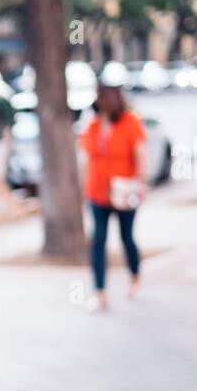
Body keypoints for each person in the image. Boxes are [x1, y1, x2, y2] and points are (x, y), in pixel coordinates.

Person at [79, 82, 147, 311]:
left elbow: (140, 156)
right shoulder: (94, 126)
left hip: (123, 191)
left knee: (126, 238)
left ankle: (135, 275)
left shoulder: (130, 123)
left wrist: (141, 184)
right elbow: (87, 159)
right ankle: (100, 292)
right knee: (98, 240)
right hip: (97, 193)